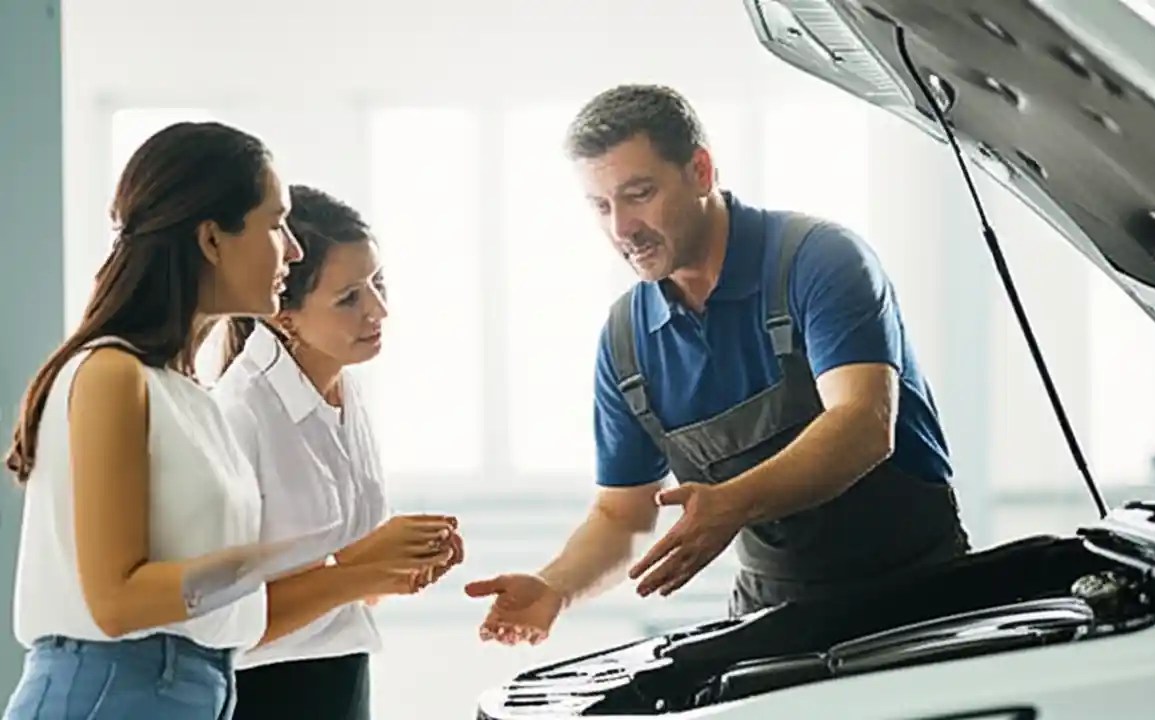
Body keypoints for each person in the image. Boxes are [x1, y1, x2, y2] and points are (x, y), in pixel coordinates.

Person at [465, 84, 971, 643]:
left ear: (701, 171)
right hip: (771, 620)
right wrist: (555, 586)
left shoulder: (820, 261)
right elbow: (622, 514)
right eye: (601, 206)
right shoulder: (625, 342)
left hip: (920, 604)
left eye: (639, 194)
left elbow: (863, 424)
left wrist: (729, 504)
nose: (620, 228)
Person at [0, 122, 448, 720]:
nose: (291, 248)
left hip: (198, 692)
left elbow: (228, 613)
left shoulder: (189, 395)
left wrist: (360, 566)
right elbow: (114, 601)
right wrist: (334, 556)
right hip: (108, 696)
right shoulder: (112, 374)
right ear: (211, 240)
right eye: (274, 224)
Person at [212, 184, 464, 720]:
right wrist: (365, 570)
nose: (380, 309)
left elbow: (347, 581)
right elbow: (222, 622)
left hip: (343, 680)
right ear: (282, 314)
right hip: (266, 696)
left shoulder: (347, 391)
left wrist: (405, 562)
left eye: (378, 283)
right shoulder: (238, 414)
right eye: (350, 297)